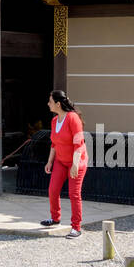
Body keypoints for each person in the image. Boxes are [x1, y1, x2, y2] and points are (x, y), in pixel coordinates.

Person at [42, 89, 88, 237]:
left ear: (58, 104)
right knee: (53, 190)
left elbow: (79, 144)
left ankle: (76, 227)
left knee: (74, 194)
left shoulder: (73, 118)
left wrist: (75, 164)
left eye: (50, 102)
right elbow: (54, 144)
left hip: (76, 161)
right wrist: (49, 161)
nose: (48, 104)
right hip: (60, 161)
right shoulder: (54, 120)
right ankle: (55, 219)